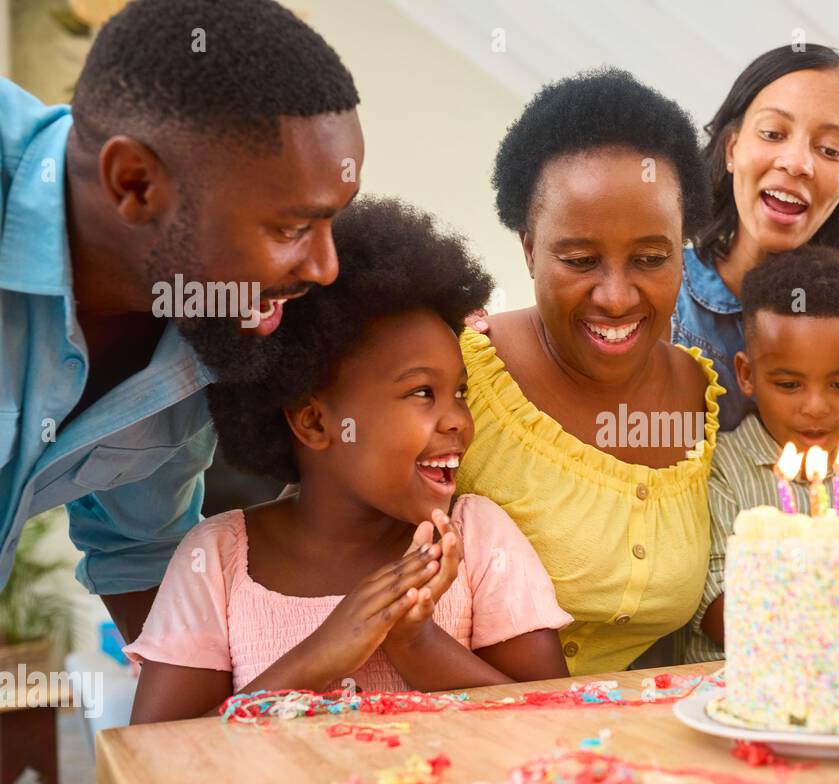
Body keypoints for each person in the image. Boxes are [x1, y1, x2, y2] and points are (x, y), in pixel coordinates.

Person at [0, 0, 363, 642]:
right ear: (135, 184)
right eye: (290, 227)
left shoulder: (200, 331)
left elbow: (138, 551)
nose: (324, 267)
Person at [127, 198, 570, 724]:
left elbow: (555, 724)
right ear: (314, 423)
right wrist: (318, 658)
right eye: (423, 392)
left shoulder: (480, 540)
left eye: (461, 393)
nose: (457, 420)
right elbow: (160, 756)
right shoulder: (218, 560)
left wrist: (418, 644)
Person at [457, 68, 723, 675]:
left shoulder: (699, 396)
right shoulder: (458, 374)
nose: (615, 296)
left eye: (651, 258)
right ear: (528, 250)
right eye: (580, 260)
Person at [681, 245, 839, 663]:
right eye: (788, 384)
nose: (816, 407)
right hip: (735, 695)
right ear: (746, 374)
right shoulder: (719, 469)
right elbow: (717, 607)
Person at [670, 43, 839, 432]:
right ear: (732, 149)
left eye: (830, 150)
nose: (797, 163)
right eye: (773, 133)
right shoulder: (666, 288)